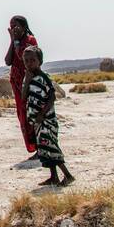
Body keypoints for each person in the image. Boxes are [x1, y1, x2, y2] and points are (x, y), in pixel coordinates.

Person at [23, 47, 74, 186]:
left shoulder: (44, 77)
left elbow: (52, 97)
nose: (29, 63)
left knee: (51, 147)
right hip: (37, 122)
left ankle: (68, 175)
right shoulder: (28, 79)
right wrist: (27, 81)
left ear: (40, 61)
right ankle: (54, 177)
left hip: (47, 120)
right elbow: (23, 97)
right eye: (26, 61)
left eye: (33, 60)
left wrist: (42, 114)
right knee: (44, 149)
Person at [3, 15, 41, 154]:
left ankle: (40, 148)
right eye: (12, 27)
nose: (14, 29)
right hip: (18, 85)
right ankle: (34, 147)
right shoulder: (15, 42)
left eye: (17, 26)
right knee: (23, 115)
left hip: (30, 84)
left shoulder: (30, 40)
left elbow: (26, 60)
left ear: (24, 27)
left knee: (33, 113)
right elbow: (7, 61)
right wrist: (13, 41)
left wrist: (18, 43)